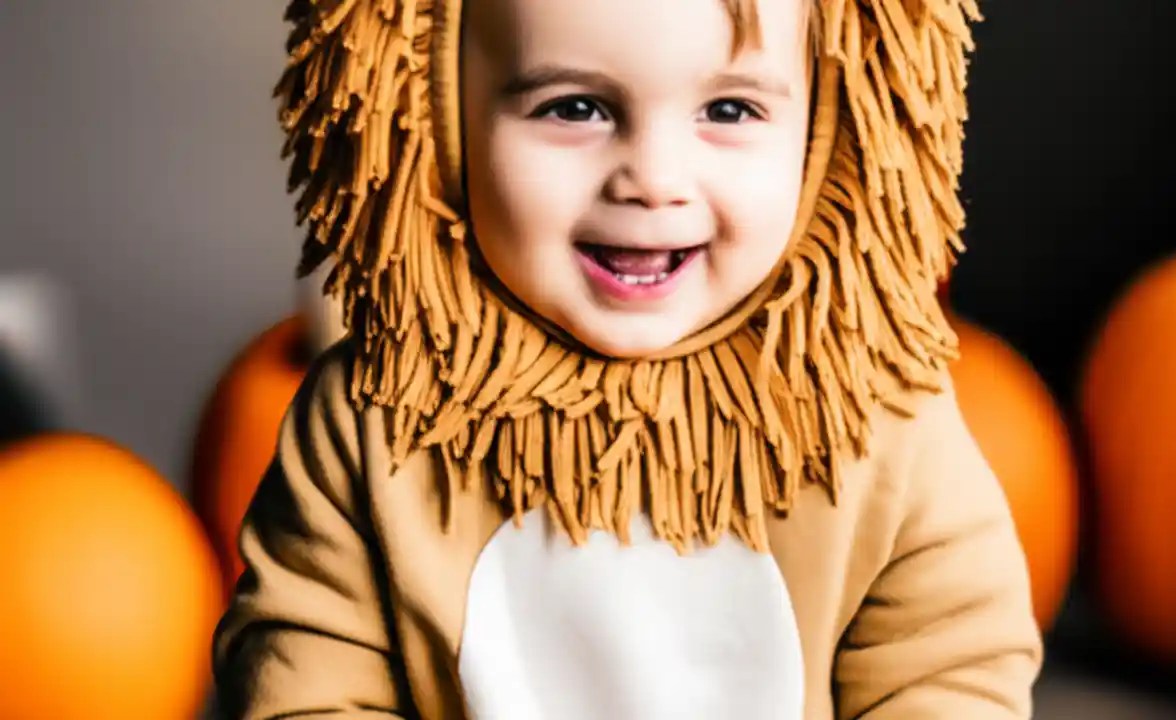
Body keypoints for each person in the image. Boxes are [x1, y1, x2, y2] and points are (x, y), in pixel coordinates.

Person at [211, 0, 1043, 717]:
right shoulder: (372, 418)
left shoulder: (879, 412)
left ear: (830, 129)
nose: (653, 179)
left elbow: (946, 663)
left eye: (729, 111)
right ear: (433, 117)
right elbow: (309, 673)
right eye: (575, 108)